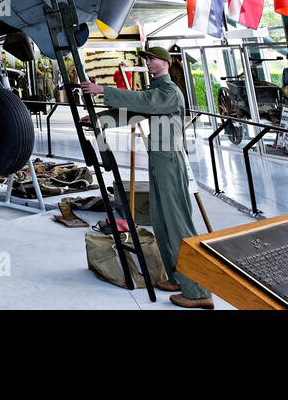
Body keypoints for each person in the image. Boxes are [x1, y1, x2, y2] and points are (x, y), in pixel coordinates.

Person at [83, 45, 213, 309]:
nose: (149, 63)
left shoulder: (169, 92)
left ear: (165, 63)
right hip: (158, 161)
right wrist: (99, 119)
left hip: (170, 162)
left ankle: (199, 291)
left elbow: (143, 103)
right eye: (147, 60)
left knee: (178, 225)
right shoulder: (158, 91)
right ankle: (178, 278)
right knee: (162, 222)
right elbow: (134, 112)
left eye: (152, 59)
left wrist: (103, 91)